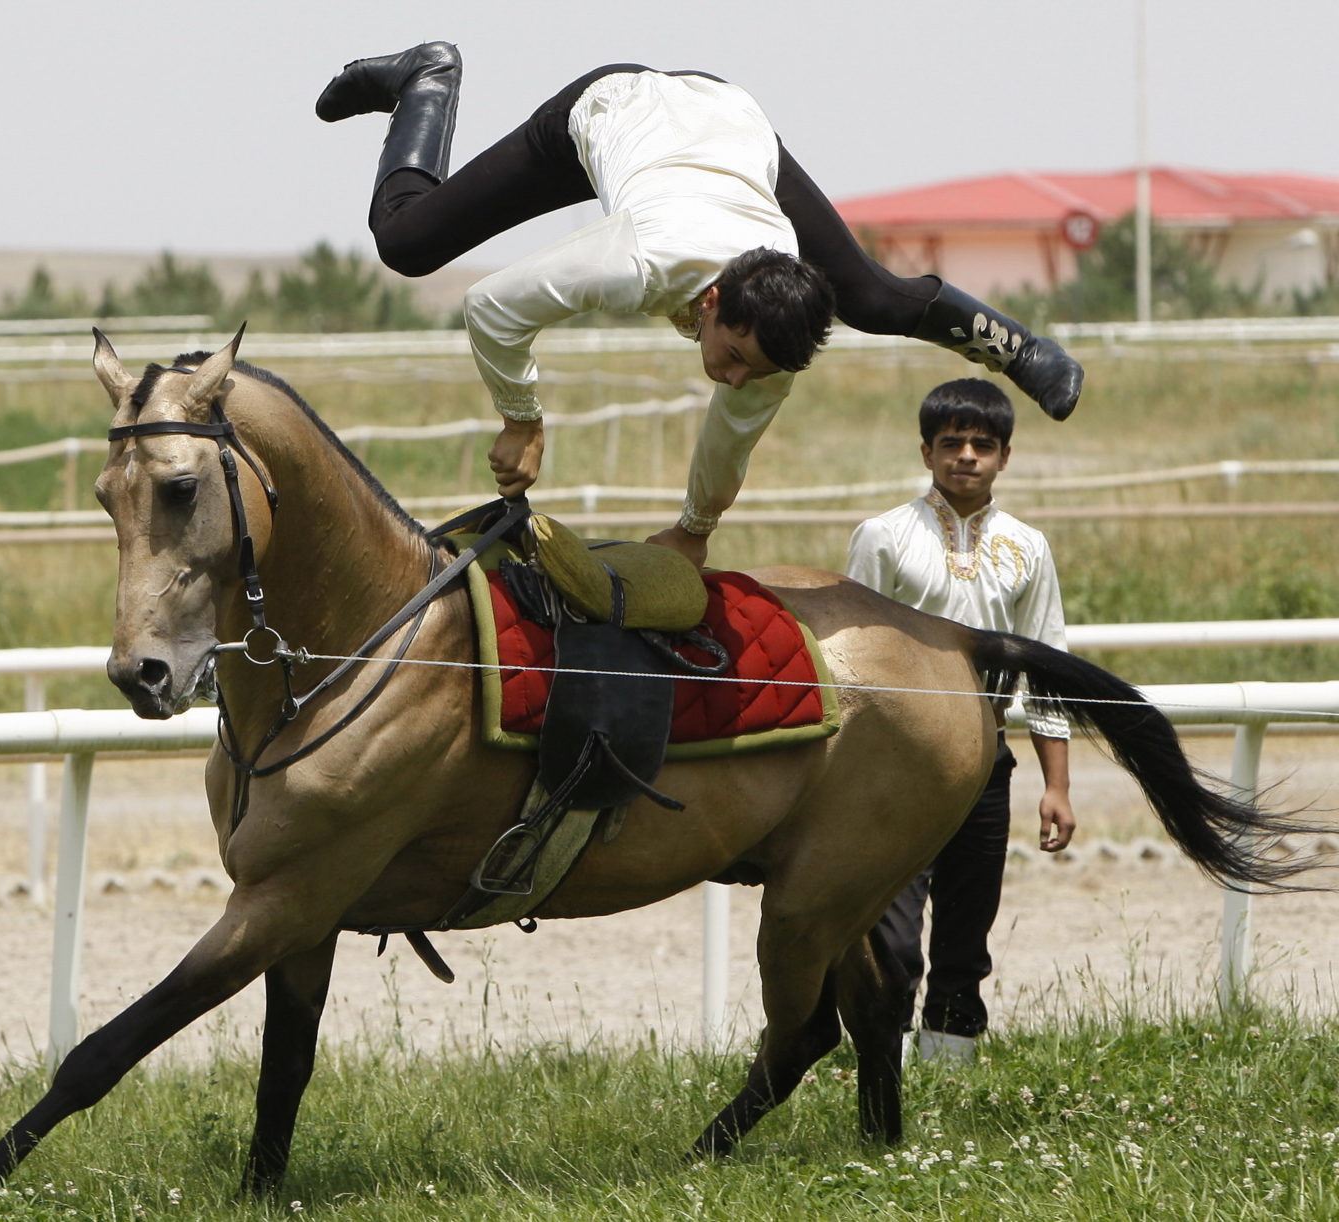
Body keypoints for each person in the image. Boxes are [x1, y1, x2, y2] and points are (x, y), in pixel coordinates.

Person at [317, 43, 1084, 567]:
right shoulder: (639, 261)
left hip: (731, 126)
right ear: (712, 301)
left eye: (753, 371)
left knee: (873, 299)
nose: (734, 379)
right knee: (407, 244)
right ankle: (425, 78)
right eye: (734, 357)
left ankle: (1023, 350)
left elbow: (731, 437)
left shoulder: (778, 331)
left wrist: (695, 530)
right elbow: (491, 306)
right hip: (611, 111)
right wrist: (522, 416)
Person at [844, 377, 1077, 1062]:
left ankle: (949, 1071)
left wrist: (1056, 785)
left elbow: (1048, 664)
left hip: (985, 759)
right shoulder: (882, 538)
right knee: (887, 924)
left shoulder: (1028, 549)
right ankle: (879, 1067)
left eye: (983, 444)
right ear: (926, 452)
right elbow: (850, 656)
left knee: (966, 929)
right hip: (893, 766)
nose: (966, 456)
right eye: (952, 443)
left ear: (1006, 456)